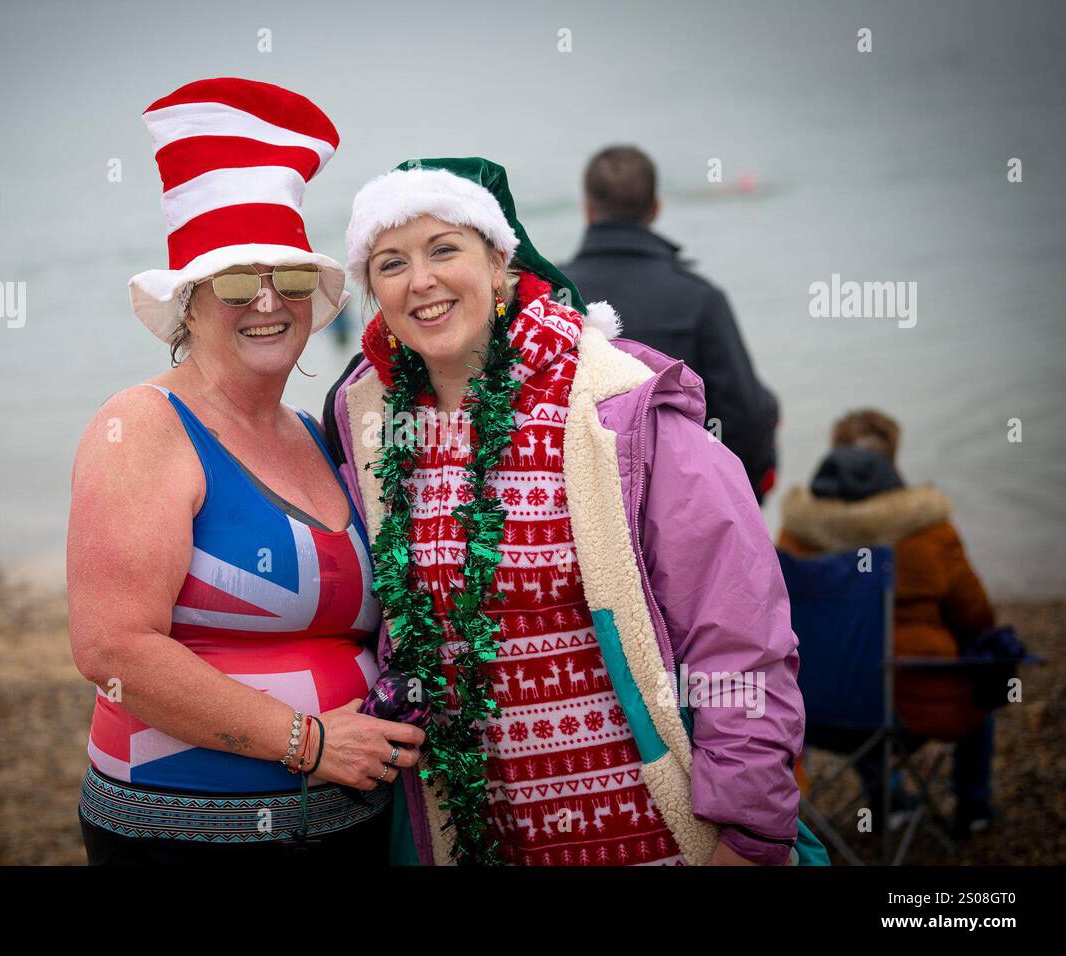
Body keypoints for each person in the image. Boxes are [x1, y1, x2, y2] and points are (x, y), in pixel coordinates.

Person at [324, 157, 813, 866]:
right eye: (391, 262)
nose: (420, 280)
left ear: (499, 263)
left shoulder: (615, 406)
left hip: (649, 835)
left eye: (444, 249)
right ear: (373, 290)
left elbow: (739, 635)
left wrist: (749, 830)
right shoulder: (371, 423)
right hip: (480, 840)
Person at [67, 77, 423, 865]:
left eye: (290, 277)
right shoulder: (144, 427)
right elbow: (113, 648)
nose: (268, 299)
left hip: (349, 830)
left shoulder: (315, 431)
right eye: (236, 280)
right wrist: (307, 740)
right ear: (187, 304)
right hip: (188, 836)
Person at [777, 409, 1000, 836]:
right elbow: (977, 617)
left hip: (813, 711)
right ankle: (973, 808)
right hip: (909, 709)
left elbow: (774, 614)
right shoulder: (929, 533)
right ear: (893, 462)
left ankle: (888, 800)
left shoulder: (795, 535)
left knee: (853, 666)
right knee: (979, 680)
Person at [560, 145, 780, 504]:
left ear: (587, 209)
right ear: (656, 208)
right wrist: (742, 493)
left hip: (570, 507)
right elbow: (748, 415)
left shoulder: (548, 297)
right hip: (680, 505)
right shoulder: (700, 299)